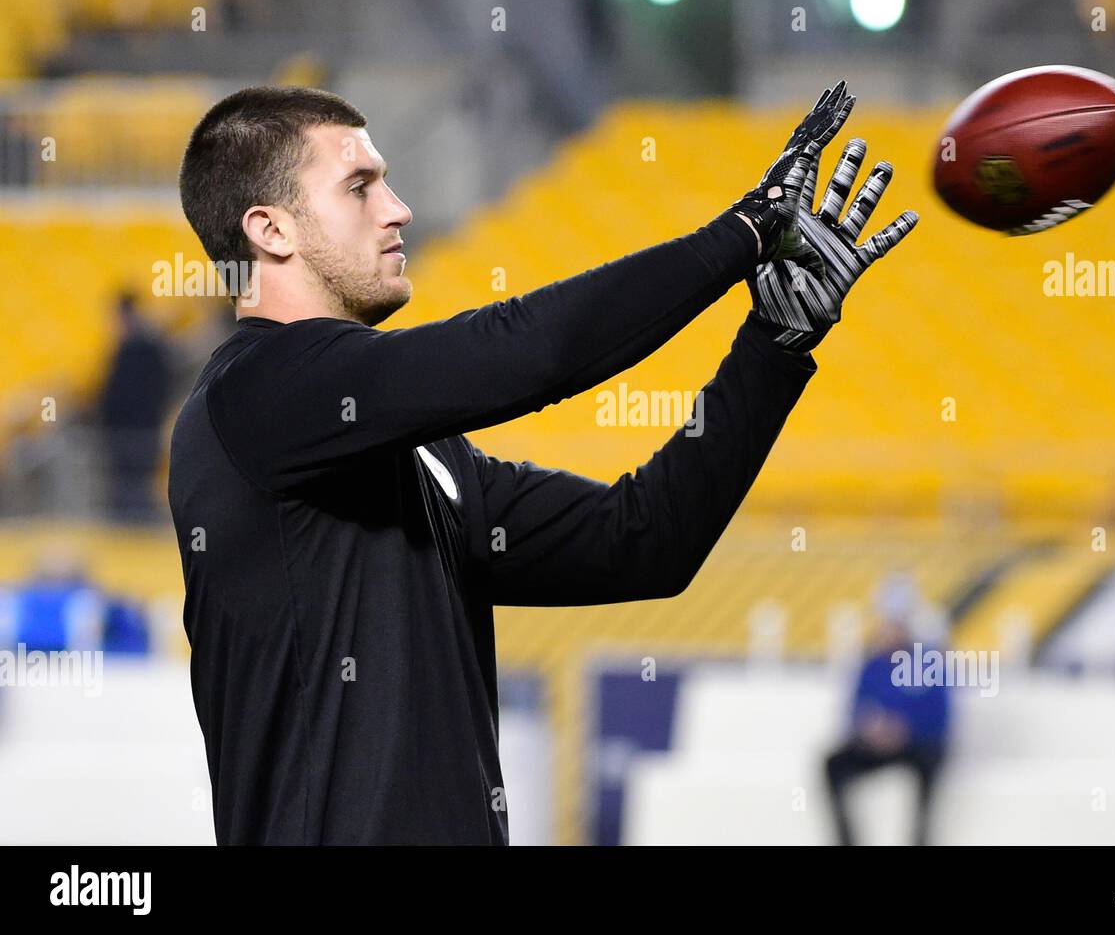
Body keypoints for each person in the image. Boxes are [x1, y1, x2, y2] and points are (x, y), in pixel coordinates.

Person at [168, 83, 918, 844]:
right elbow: (523, 350)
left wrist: (772, 346)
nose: (398, 209)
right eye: (359, 187)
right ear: (270, 229)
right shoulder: (252, 394)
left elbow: (646, 540)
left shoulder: (419, 453)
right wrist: (746, 232)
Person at [825, 573, 951, 846]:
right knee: (832, 763)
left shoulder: (928, 662)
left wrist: (906, 729)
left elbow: (941, 716)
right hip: (878, 745)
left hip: (918, 745)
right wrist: (870, 729)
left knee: (930, 766)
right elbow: (856, 709)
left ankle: (919, 840)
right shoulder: (872, 664)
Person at [98, 293, 172, 521]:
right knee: (128, 486)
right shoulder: (139, 345)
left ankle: (135, 528)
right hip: (132, 428)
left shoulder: (140, 346)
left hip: (137, 429)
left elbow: (148, 389)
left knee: (133, 486)